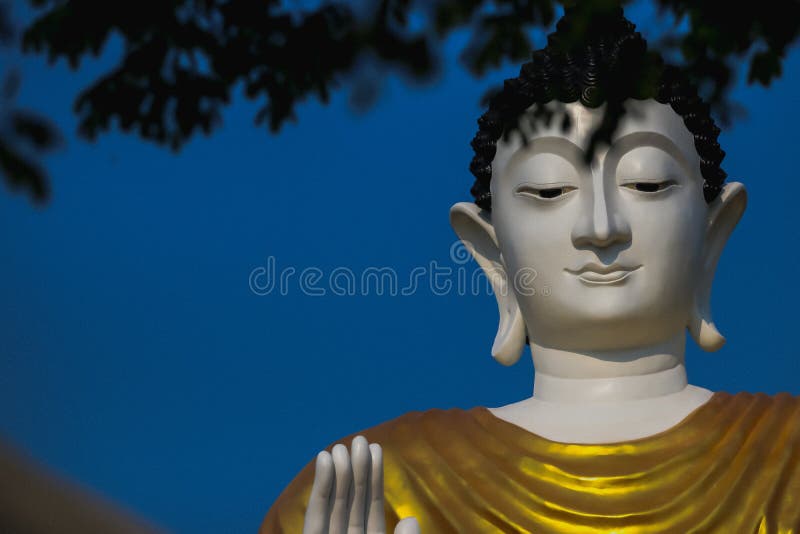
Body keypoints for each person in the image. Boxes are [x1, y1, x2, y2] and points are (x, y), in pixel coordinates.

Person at [260, 9, 800, 533]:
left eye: (647, 184)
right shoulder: (376, 486)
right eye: (549, 190)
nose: (601, 227)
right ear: (492, 252)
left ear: (713, 233)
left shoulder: (787, 458)